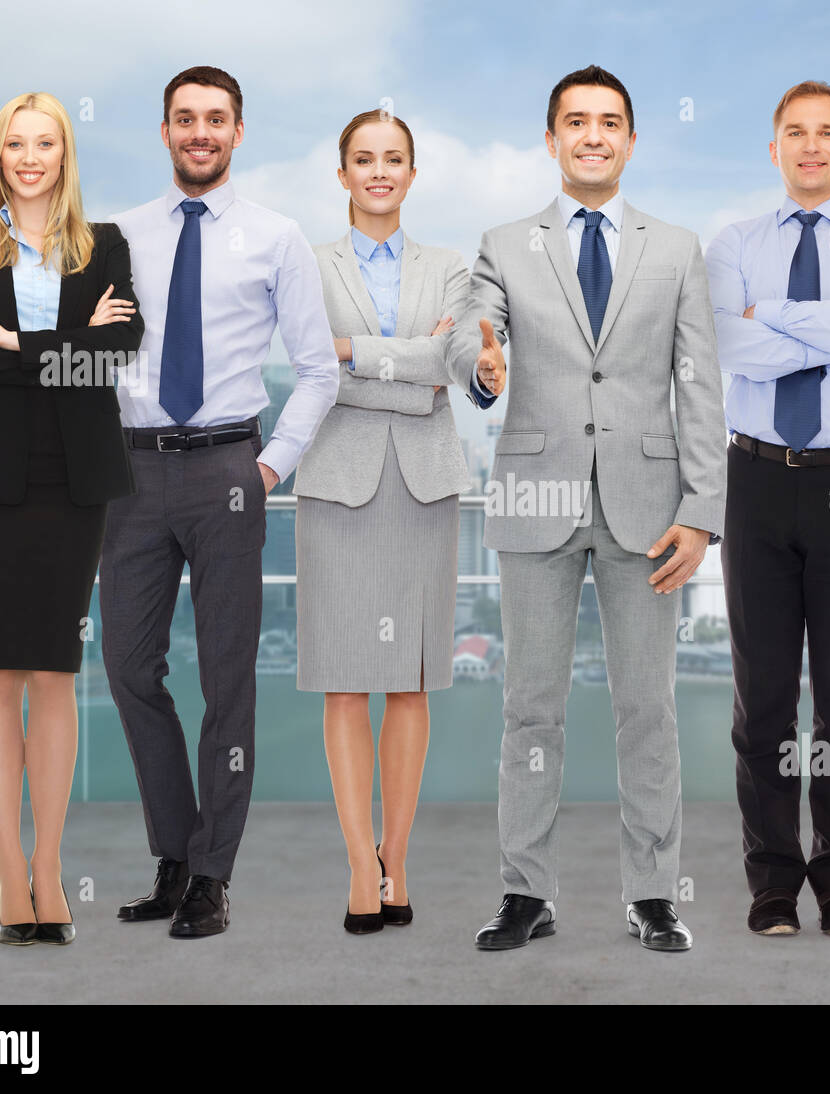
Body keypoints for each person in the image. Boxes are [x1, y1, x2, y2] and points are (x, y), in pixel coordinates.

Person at [449, 66, 727, 953]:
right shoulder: (503, 242)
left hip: (649, 509)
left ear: (631, 140)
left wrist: (703, 509)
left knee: (647, 707)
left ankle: (653, 896)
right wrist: (480, 365)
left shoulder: (677, 248)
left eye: (609, 122)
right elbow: (473, 329)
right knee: (531, 708)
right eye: (577, 122)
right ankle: (526, 894)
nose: (593, 135)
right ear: (553, 138)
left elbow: (699, 385)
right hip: (536, 499)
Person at [104, 66, 338, 939]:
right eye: (184, 118)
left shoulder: (277, 238)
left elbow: (318, 369)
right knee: (130, 670)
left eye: (215, 119)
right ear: (164, 131)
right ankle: (174, 853)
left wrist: (270, 467)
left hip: (228, 474)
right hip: (130, 474)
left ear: (238, 132)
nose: (199, 132)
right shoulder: (116, 235)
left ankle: (212, 874)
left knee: (226, 679)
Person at [704, 82, 830, 937]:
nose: (812, 146)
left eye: (828, 133)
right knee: (761, 697)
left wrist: (777, 317)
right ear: (774, 149)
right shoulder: (733, 243)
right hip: (755, 480)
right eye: (796, 132)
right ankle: (771, 878)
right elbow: (729, 343)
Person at [0, 92, 143, 946]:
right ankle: (4, 869)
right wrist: (67, 342)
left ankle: (49, 871)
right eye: (15, 144)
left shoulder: (107, 247)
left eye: (45, 142)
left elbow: (120, 352)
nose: (30, 157)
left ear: (65, 154)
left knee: (56, 672)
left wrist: (16, 341)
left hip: (73, 481)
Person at [294, 109, 493, 934]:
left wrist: (356, 352)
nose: (379, 172)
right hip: (336, 486)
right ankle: (354, 865)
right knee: (344, 683)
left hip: (422, 487)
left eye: (394, 159)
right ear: (341, 173)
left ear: (413, 173)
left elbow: (455, 368)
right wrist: (402, 362)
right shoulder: (306, 265)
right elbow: (315, 368)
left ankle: (396, 859)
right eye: (363, 159)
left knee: (410, 681)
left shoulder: (452, 267)